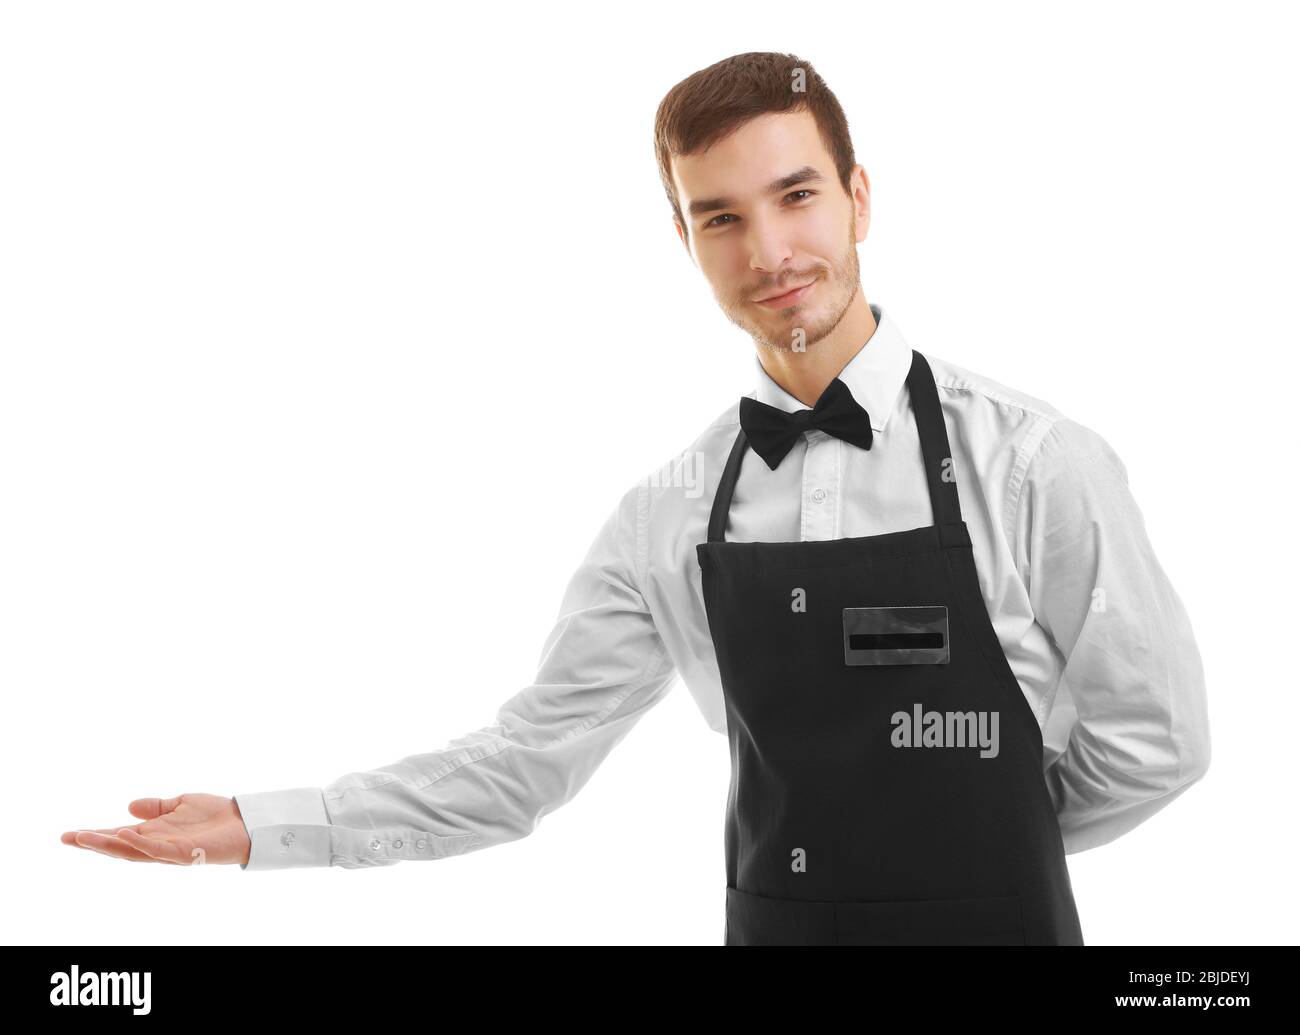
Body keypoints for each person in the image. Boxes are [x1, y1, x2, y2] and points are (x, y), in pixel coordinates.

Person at [61, 51, 1211, 945]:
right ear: (685, 239)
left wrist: (971, 856)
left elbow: (1155, 745)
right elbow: (525, 763)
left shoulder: (1033, 463)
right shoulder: (667, 514)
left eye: (795, 194)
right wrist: (265, 829)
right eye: (720, 217)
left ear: (859, 198)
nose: (768, 249)